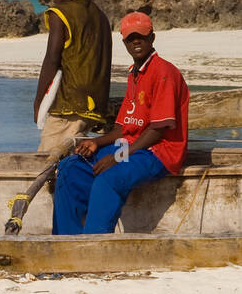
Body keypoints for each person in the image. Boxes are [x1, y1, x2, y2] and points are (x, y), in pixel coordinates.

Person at [52, 12, 189, 234]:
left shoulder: (163, 72)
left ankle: (95, 245)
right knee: (70, 168)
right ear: (124, 41)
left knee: (108, 179)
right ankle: (65, 241)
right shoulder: (134, 74)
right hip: (132, 147)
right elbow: (123, 128)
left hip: (158, 152)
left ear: (152, 38)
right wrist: (97, 143)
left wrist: (117, 157)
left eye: (142, 37)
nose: (136, 41)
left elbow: (157, 130)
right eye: (130, 37)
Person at [34, 0, 112, 154]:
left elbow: (52, 59)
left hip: (68, 106)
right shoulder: (100, 15)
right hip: (94, 107)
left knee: (46, 164)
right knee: (71, 162)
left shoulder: (60, 13)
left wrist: (39, 102)